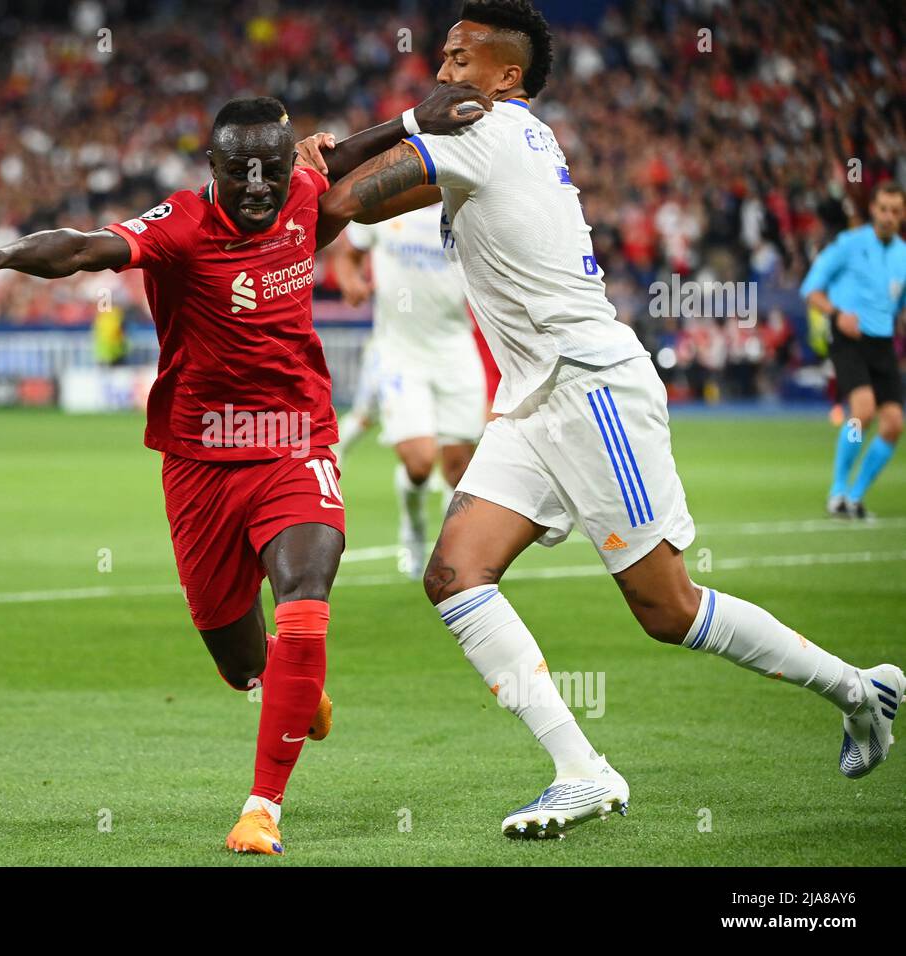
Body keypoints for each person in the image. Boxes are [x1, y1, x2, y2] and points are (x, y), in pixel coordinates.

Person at [311, 0, 903, 838]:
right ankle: (581, 771)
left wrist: (341, 148)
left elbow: (352, 204)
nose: (444, 72)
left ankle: (858, 689)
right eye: (440, 59)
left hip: (591, 389)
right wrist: (361, 143)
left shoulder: (487, 131)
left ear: (506, 77)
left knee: (667, 609)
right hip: (535, 397)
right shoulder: (491, 131)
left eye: (459, 58)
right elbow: (353, 195)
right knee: (454, 575)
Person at [0, 89, 487, 854]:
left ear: (291, 166)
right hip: (200, 460)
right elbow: (87, 246)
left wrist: (418, 120)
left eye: (273, 171)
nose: (258, 186)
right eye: (240, 171)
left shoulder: (304, 191)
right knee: (238, 657)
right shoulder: (183, 224)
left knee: (307, 592)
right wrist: (3, 255)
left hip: (295, 441)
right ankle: (293, 686)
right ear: (211, 167)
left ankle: (262, 808)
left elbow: (342, 157)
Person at [330, 206, 486, 577]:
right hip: (400, 353)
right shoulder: (383, 204)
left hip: (455, 349)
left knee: (457, 470)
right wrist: (351, 281)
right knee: (418, 462)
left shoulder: (464, 203)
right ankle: (414, 531)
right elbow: (347, 254)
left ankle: (451, 554)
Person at [800, 180, 906, 520]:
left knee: (893, 424)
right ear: (873, 210)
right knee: (863, 412)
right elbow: (811, 289)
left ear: (902, 215)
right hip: (848, 340)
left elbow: (898, 305)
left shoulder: (904, 256)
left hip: (882, 343)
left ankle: (855, 498)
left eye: (895, 211)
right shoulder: (848, 244)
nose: (888, 216)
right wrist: (836, 314)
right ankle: (837, 490)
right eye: (883, 209)